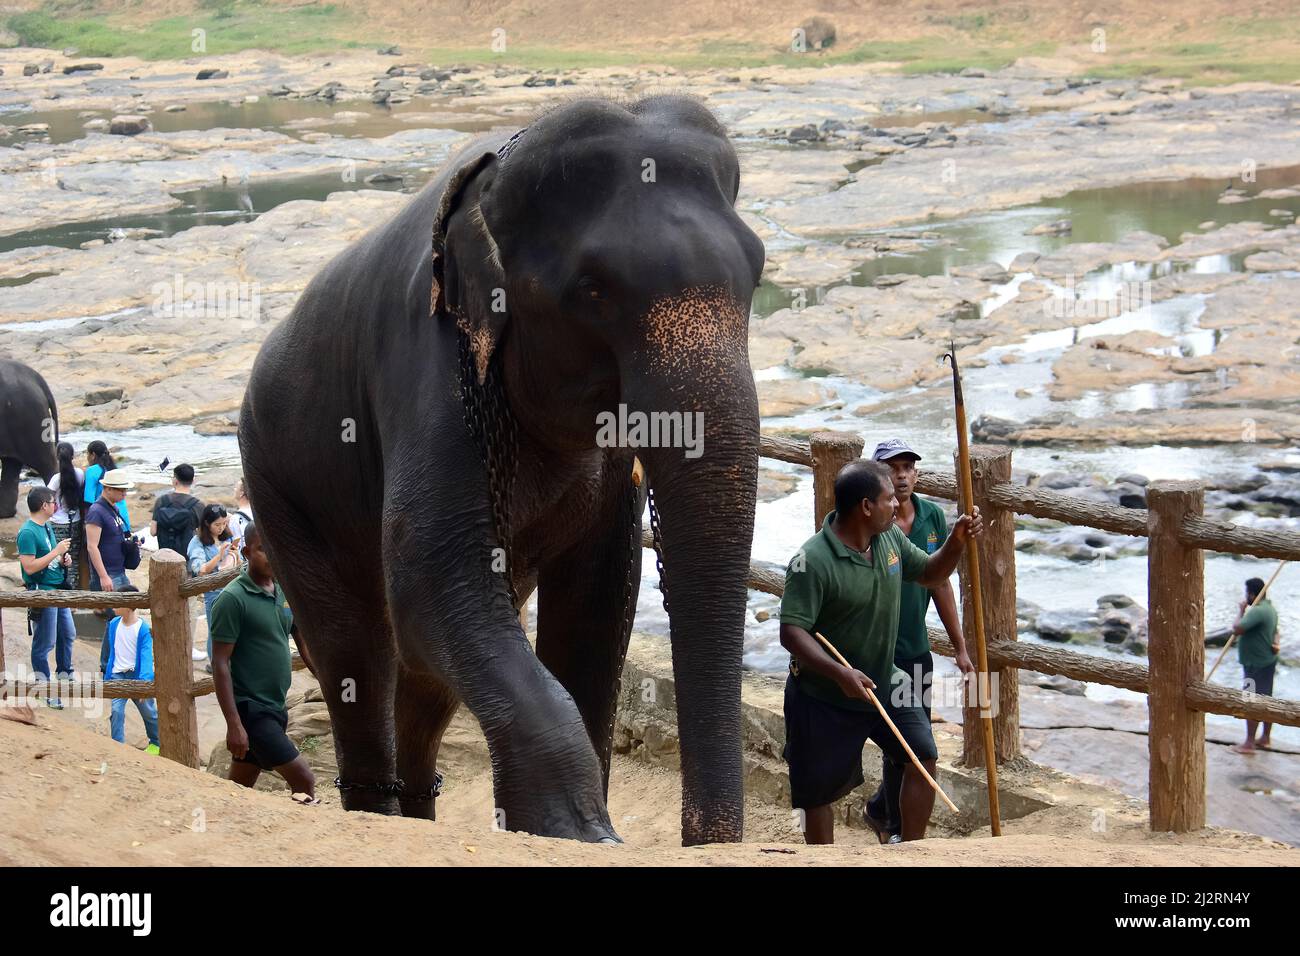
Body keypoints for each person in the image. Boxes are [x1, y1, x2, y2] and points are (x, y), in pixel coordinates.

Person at [779, 459, 983, 845]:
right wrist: (840, 674)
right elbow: (791, 632)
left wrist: (956, 541)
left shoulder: (888, 539)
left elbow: (931, 574)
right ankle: (821, 858)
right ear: (866, 507)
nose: (898, 504)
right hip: (824, 696)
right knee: (816, 795)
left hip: (885, 681)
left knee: (922, 758)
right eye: (889, 498)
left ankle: (910, 848)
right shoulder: (812, 561)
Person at [863, 438, 976, 843]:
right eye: (894, 467)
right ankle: (893, 825)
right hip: (875, 654)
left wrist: (960, 648)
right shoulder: (869, 520)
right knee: (902, 744)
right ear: (877, 476)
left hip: (914, 651)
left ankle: (882, 813)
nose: (903, 474)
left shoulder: (931, 517)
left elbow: (940, 581)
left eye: (909, 467)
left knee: (913, 739)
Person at [211, 523, 316, 800]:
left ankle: (221, 831)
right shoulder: (232, 599)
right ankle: (304, 838)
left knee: (238, 788)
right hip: (251, 711)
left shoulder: (283, 591)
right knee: (304, 780)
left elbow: (301, 639)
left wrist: (328, 682)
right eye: (262, 549)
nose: (271, 555)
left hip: (276, 707)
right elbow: (220, 664)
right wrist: (234, 725)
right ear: (246, 552)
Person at [18, 487, 75, 701]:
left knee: (67, 634)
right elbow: (29, 568)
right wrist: (56, 552)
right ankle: (44, 689)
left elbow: (49, 559)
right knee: (45, 642)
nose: (56, 506)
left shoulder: (47, 527)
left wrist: (62, 561)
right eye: (53, 502)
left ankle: (64, 674)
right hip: (41, 592)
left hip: (57, 589)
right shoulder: (28, 532)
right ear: (44, 505)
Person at [100, 584, 160, 754]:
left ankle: (156, 742)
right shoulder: (113, 624)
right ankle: (117, 744)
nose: (114, 605)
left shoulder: (142, 629)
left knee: (149, 712)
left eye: (118, 602)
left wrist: (144, 682)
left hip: (137, 676)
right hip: (118, 675)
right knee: (116, 710)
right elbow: (109, 650)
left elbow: (146, 656)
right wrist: (107, 673)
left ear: (128, 605)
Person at [1232, 576, 1281, 754]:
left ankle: (1249, 743)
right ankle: (1265, 738)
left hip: (1254, 665)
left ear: (1252, 594)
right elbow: (1276, 632)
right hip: (1266, 663)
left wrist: (1241, 610)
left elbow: (1237, 628)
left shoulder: (1257, 611)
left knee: (1250, 700)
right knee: (1266, 699)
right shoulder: (1270, 609)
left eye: (1247, 593)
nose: (1246, 596)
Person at [189, 503, 237, 667]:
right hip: (214, 594)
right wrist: (219, 556)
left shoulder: (226, 536)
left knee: (234, 631)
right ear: (207, 523)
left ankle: (231, 664)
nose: (221, 528)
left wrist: (234, 555)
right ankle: (216, 666)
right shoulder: (197, 542)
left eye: (224, 523)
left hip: (233, 589)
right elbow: (200, 570)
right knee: (216, 633)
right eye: (217, 524)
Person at [85, 469, 135, 593]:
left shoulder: (113, 508)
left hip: (119, 570)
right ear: (108, 489)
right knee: (115, 611)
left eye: (125, 490)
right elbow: (92, 546)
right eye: (121, 490)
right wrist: (103, 576)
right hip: (108, 573)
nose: (124, 494)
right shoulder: (96, 511)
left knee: (126, 608)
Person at [46, 441, 85, 589]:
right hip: (75, 522)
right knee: (73, 559)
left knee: (57, 559)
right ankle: (72, 596)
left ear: (57, 457)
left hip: (57, 524)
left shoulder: (56, 479)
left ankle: (58, 592)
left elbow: (47, 498)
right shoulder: (80, 474)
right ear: (73, 456)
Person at [150, 463, 204, 556]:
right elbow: (203, 535)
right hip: (186, 558)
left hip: (164, 557)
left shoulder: (161, 501)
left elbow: (153, 532)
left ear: (175, 480)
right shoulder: (198, 505)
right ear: (193, 480)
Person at [83, 440, 130, 530]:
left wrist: (87, 523)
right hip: (122, 517)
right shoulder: (114, 469)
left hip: (105, 518)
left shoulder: (92, 470)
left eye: (87, 454)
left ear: (92, 455)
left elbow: (88, 500)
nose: (87, 457)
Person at [228, 477, 253, 547]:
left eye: (236, 487)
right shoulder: (257, 512)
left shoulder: (235, 518)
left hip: (246, 555)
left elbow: (236, 545)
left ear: (241, 493)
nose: (234, 489)